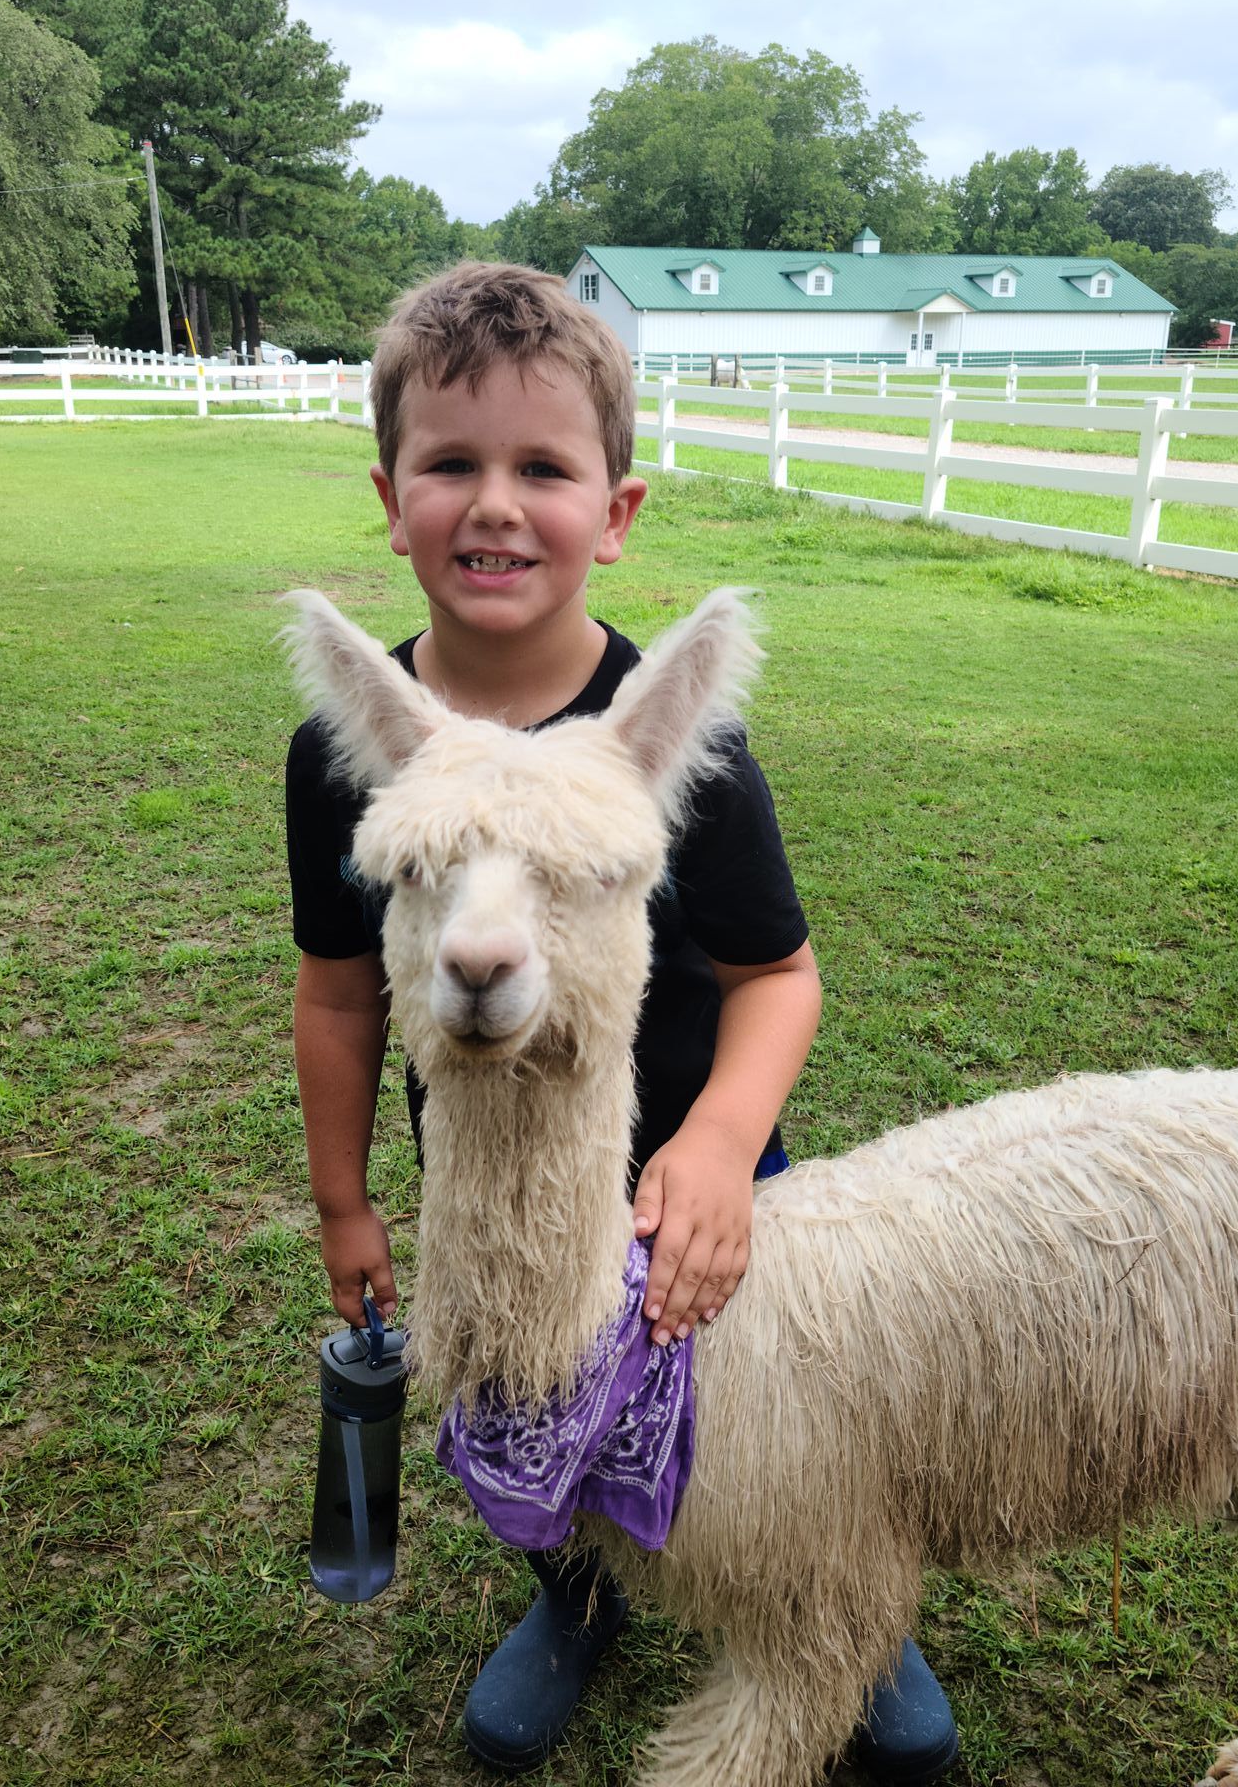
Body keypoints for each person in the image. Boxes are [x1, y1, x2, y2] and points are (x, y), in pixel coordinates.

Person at [286, 261, 958, 1782]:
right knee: (522, 1384)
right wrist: (344, 1201)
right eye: (453, 466)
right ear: (393, 499)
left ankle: (824, 1599)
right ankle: (577, 1595)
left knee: (772, 1432)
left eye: (543, 467)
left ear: (617, 506)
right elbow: (338, 989)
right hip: (491, 1164)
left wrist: (723, 1147)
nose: (497, 505)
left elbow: (777, 972)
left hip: (709, 1196)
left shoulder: (671, 743)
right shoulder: (354, 754)